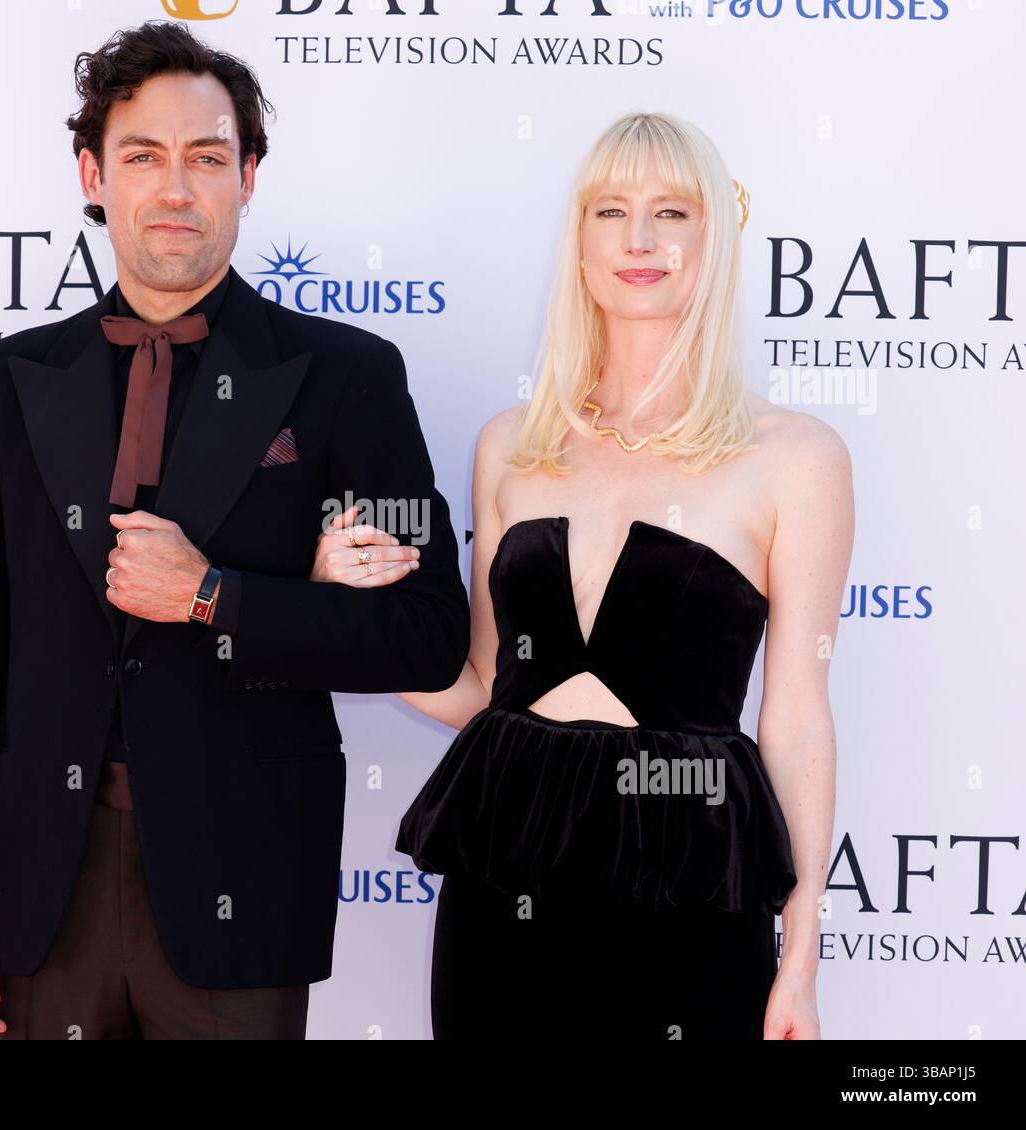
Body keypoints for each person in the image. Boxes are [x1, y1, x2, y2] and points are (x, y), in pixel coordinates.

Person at [0, 20, 469, 1040]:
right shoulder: (9, 379)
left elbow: (427, 633)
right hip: (42, 889)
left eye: (207, 157)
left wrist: (216, 597)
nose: (176, 188)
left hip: (241, 880)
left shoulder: (346, 377)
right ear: (93, 171)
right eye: (143, 156)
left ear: (248, 175)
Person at [313, 112, 850, 1040]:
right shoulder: (511, 444)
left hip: (687, 875)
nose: (640, 240)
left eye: (671, 212)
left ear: (712, 237)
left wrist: (800, 957)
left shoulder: (795, 458)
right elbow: (482, 684)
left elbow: (797, 720)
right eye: (612, 211)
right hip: (508, 869)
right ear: (581, 242)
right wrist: (338, 612)